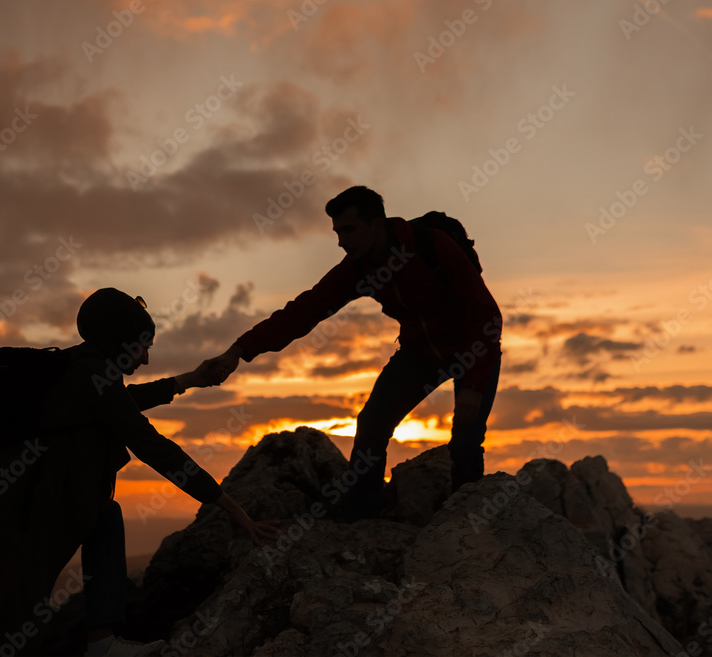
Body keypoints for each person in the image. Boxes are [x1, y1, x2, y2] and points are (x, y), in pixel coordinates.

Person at [0, 288, 279, 657]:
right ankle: (101, 643)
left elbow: (120, 404)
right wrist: (232, 509)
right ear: (118, 339)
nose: (145, 358)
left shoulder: (81, 368)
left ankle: (102, 641)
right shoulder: (89, 376)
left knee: (94, 526)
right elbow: (154, 447)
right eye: (142, 345)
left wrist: (187, 381)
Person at [208, 186, 502, 521]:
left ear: (377, 225)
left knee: (465, 441)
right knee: (371, 427)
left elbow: (487, 317)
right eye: (337, 232)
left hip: (474, 350)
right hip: (420, 354)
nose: (341, 241)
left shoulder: (432, 245)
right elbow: (303, 311)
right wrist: (240, 349)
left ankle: (468, 524)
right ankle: (360, 518)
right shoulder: (359, 268)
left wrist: (474, 386)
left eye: (348, 230)